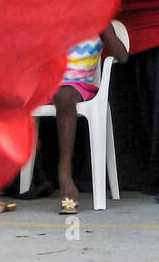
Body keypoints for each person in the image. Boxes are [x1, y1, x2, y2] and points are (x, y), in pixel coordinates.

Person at [51, 23, 129, 214]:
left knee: (65, 96)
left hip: (78, 86)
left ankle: (65, 174)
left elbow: (122, 56)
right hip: (45, 82)